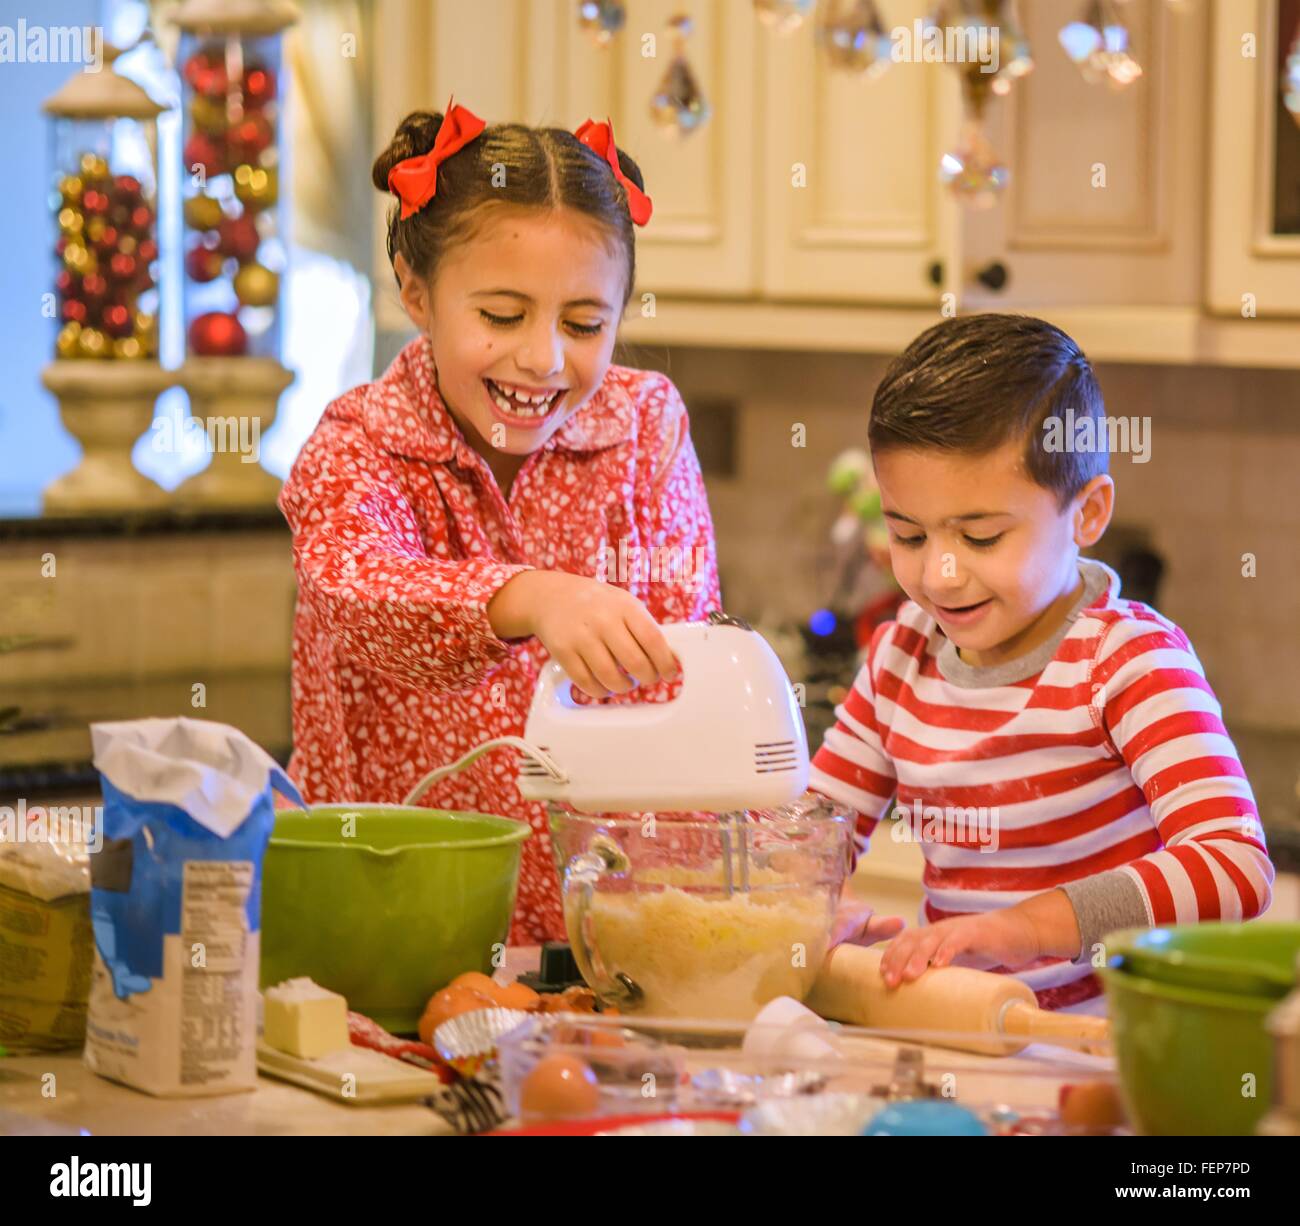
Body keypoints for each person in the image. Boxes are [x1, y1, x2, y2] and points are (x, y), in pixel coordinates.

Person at [278, 101, 719, 943]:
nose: (545, 357)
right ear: (416, 292)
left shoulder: (645, 425)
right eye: (503, 316)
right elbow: (358, 596)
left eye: (586, 323)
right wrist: (532, 596)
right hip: (389, 920)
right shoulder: (359, 443)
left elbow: (679, 660)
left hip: (603, 930)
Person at [812, 313, 1274, 1012]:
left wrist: (1026, 928)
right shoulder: (902, 654)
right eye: (907, 533)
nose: (939, 575)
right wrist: (808, 896)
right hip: (956, 1037)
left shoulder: (1128, 661)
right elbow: (816, 830)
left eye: (981, 536)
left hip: (1103, 1056)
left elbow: (1234, 864)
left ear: (1087, 515)